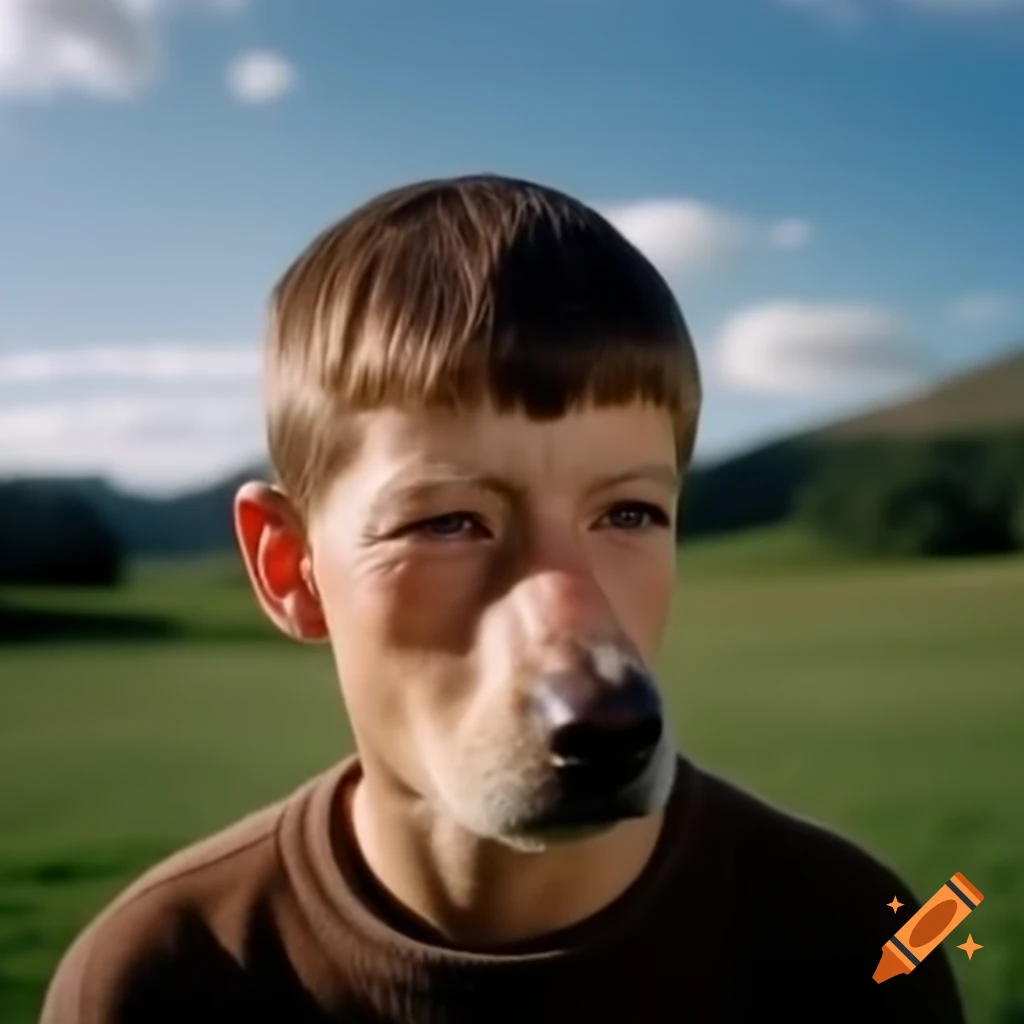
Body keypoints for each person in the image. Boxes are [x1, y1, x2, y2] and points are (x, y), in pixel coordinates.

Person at [41, 174, 964, 1023]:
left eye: (630, 512)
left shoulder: (864, 948)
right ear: (291, 568)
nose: (577, 635)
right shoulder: (155, 981)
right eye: (446, 522)